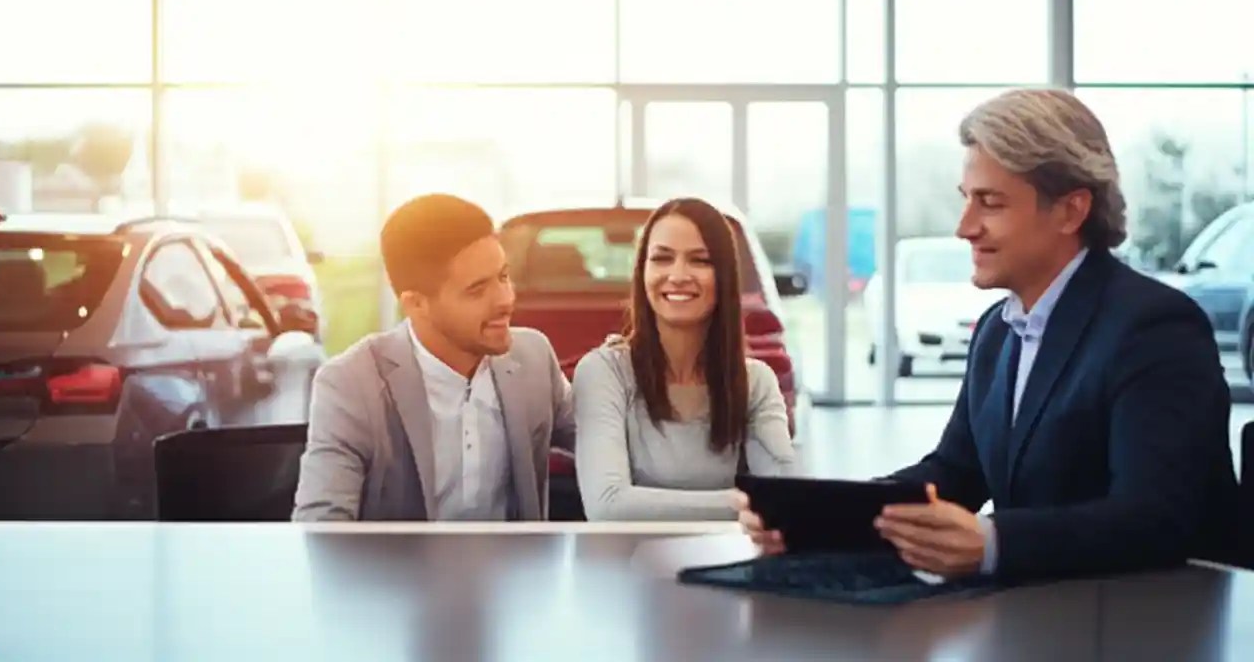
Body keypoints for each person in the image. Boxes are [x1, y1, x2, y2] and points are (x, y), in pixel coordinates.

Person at [736, 88, 1238, 582]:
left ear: (1070, 210)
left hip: (1151, 627)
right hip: (1045, 620)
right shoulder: (999, 331)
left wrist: (994, 543)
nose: (964, 227)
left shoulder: (1154, 328)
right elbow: (955, 473)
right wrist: (820, 519)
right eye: (966, 200)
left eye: (990, 203)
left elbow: (1156, 517)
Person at [293, 194, 575, 521]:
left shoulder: (533, 357)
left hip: (518, 570)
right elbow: (320, 529)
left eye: (503, 276)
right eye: (477, 290)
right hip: (398, 572)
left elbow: (607, 448)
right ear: (416, 304)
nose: (506, 300)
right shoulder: (350, 384)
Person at [574, 197, 797, 521]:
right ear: (642, 272)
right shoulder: (605, 372)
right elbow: (607, 505)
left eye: (700, 260)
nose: (678, 275)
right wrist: (742, 504)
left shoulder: (755, 382)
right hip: (628, 565)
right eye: (662, 259)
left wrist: (766, 504)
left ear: (724, 275)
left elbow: (784, 494)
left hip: (726, 563)